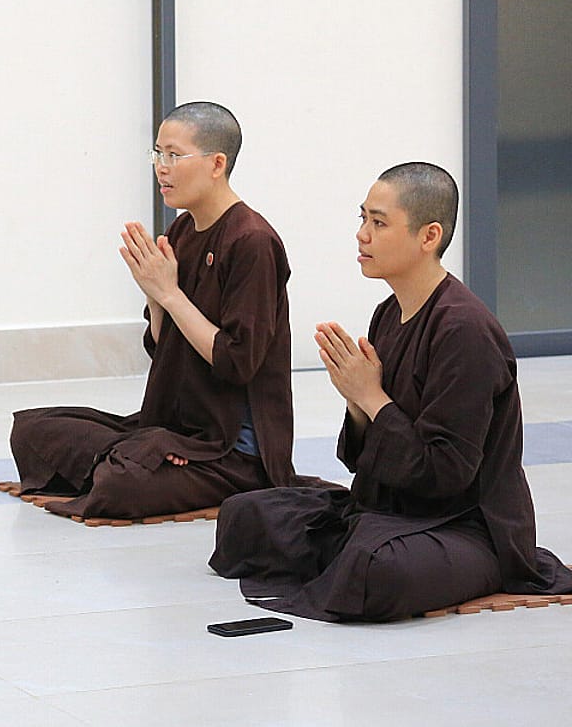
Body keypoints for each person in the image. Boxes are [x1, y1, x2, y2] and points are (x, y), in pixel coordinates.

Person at [210, 162, 572, 621]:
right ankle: (360, 551)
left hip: (465, 526)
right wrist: (356, 400)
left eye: (378, 223)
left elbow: (447, 473)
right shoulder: (388, 313)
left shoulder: (465, 331)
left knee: (373, 570)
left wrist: (373, 398)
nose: (362, 235)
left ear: (429, 236)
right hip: (389, 511)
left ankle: (446, 567)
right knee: (244, 516)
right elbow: (362, 461)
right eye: (362, 219)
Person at [9, 102, 298, 520]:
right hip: (180, 425)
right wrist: (154, 297)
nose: (161, 167)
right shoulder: (182, 229)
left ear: (217, 163)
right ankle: (152, 455)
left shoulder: (251, 241)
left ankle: (158, 462)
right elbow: (167, 351)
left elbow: (238, 362)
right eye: (157, 154)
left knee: (121, 481)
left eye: (174, 156)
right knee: (33, 430)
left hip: (233, 447)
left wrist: (171, 294)